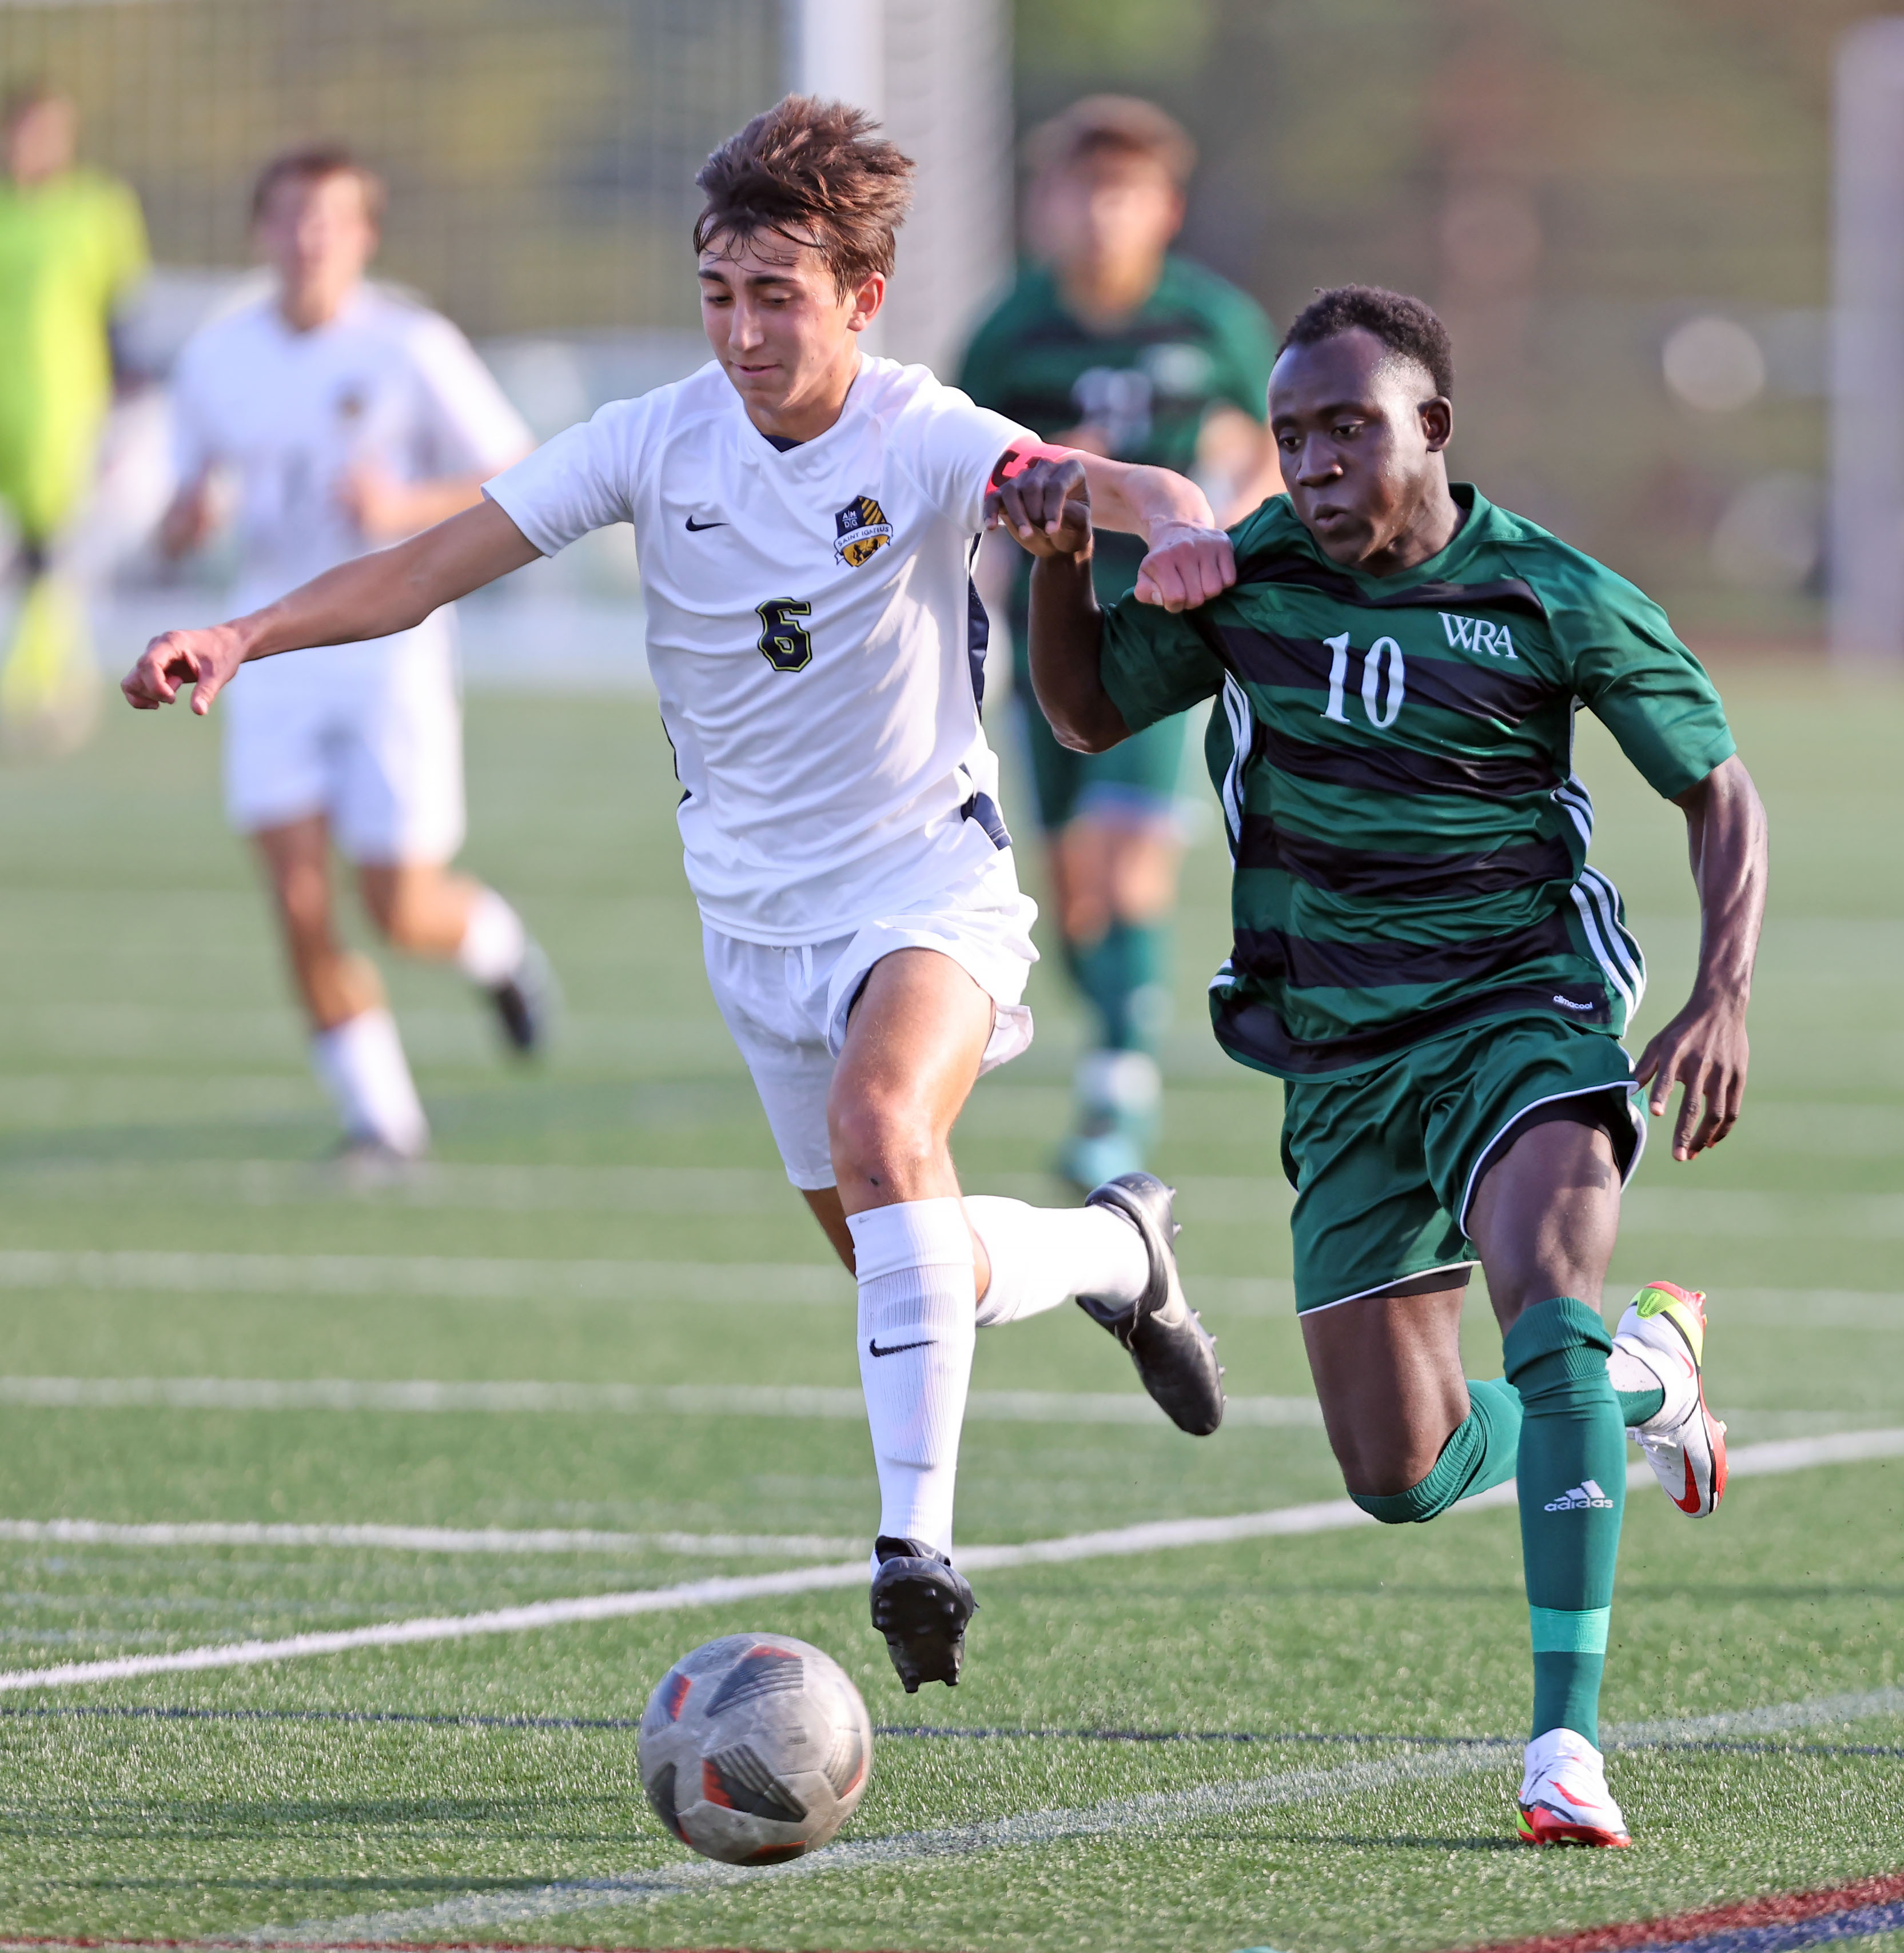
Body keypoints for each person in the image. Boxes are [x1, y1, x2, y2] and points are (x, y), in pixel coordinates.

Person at [123, 98, 1238, 1693]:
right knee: (894, 1259)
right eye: (720, 295)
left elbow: (1101, 483)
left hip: (927, 881)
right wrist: (245, 636)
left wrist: (1185, 523)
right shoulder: (656, 440)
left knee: (884, 1135)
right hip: (752, 922)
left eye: (775, 297)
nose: (741, 330)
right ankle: (1116, 1257)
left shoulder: (921, 430)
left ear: (860, 298)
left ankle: (913, 1548)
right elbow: (431, 562)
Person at [1004, 284, 1767, 1847]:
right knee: (1398, 1473)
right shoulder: (1248, 575)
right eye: (1290, 435)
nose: (1316, 461)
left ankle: (1567, 1748)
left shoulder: (1551, 592)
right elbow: (1079, 719)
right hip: (1341, 1053)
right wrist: (1069, 564)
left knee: (1542, 1317)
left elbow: (1719, 788)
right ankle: (1649, 1382)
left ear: (1432, 426)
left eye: (1347, 426)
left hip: (1520, 1008)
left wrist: (1722, 990)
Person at [159, 145, 553, 1163]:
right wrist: (186, 520)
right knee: (296, 898)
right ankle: (382, 1119)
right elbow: (178, 505)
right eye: (290, 217)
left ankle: (495, 948)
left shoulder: (410, 344)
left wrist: (403, 508)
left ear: (364, 238)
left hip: (388, 648)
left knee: (400, 904)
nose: (309, 239)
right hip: (263, 648)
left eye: (330, 220)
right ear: (261, 231)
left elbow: (519, 471)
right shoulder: (216, 359)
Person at [960, 97, 1280, 1187]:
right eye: (1081, 190)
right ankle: (1111, 1034)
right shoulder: (1010, 331)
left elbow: (1271, 444)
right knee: (1068, 891)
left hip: (1161, 625)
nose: (1101, 213)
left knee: (1124, 859)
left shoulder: (1210, 321)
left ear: (1164, 209)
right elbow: (958, 474)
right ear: (1044, 206)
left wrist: (1229, 530)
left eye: (1123, 192)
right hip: (1046, 631)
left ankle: (1116, 1090)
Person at [0, 82, 149, 751]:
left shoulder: (98, 208)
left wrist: (123, 400)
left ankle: (41, 686)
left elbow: (121, 311)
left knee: (50, 552)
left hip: (61, 403)